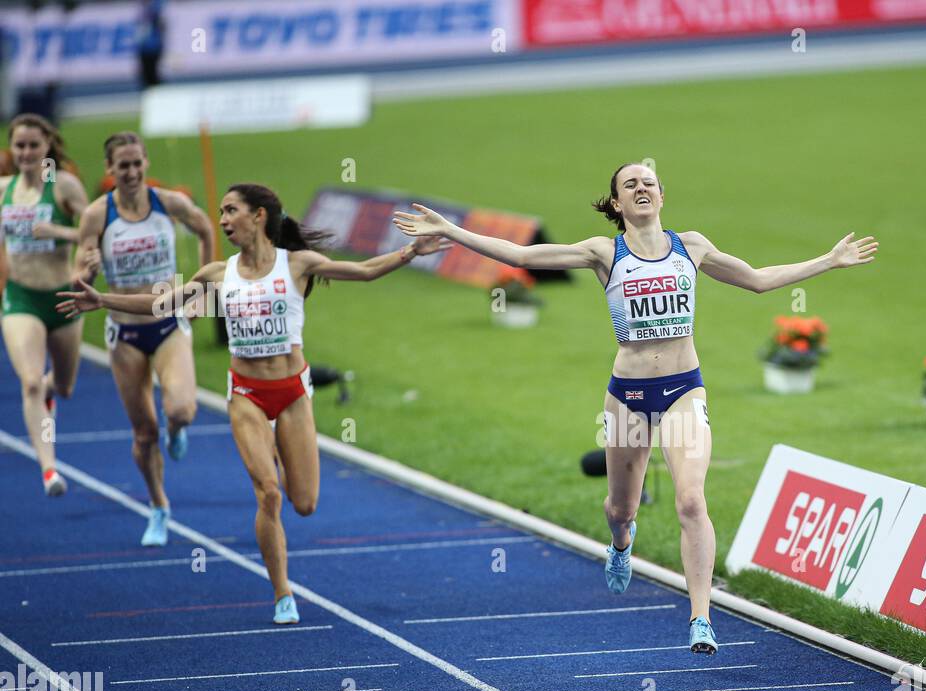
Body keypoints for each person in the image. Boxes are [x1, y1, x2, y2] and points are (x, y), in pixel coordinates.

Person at [394, 162, 878, 653]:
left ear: (662, 196)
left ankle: (701, 618)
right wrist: (450, 230)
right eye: (631, 185)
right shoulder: (604, 252)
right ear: (618, 204)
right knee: (621, 507)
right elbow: (521, 253)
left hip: (683, 392)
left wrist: (829, 260)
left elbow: (756, 279)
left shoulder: (691, 246)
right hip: (627, 398)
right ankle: (622, 543)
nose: (642, 188)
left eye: (649, 182)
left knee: (691, 500)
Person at [59, 183, 447, 623]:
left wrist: (410, 252)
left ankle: (280, 447)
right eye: (221, 213)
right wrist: (102, 300)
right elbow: (159, 303)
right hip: (246, 394)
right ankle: (283, 593)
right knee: (268, 494)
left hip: (293, 394)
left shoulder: (298, 264)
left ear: (259, 216)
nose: (222, 221)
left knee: (304, 502)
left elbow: (364, 272)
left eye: (230, 212)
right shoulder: (217, 274)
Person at [75, 131, 217, 546]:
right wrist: (88, 267)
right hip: (125, 332)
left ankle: (178, 429)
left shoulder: (167, 203)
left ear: (146, 164)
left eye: (138, 163)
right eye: (124, 165)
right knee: (143, 433)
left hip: (169, 321)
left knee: (182, 410)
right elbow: (79, 279)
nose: (132, 172)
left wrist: (202, 289)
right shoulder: (97, 216)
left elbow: (206, 226)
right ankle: (159, 506)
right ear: (110, 170)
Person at [0, 113, 90, 496]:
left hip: (63, 298)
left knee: (64, 386)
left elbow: (92, 234)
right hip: (21, 299)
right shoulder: (3, 189)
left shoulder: (63, 185)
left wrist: (63, 237)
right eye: (19, 145)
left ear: (47, 147)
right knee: (31, 382)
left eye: (33, 145)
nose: (26, 152)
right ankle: (49, 470)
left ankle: (53, 392)